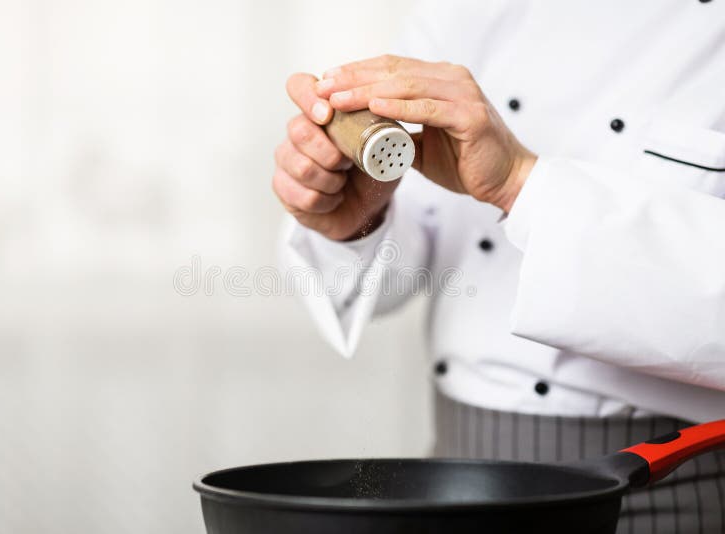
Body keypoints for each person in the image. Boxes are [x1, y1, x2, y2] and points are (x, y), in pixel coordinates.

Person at [272, 1, 725, 532]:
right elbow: (407, 270)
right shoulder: (464, 10)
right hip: (457, 472)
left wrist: (518, 182)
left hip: (669, 481)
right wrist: (357, 221)